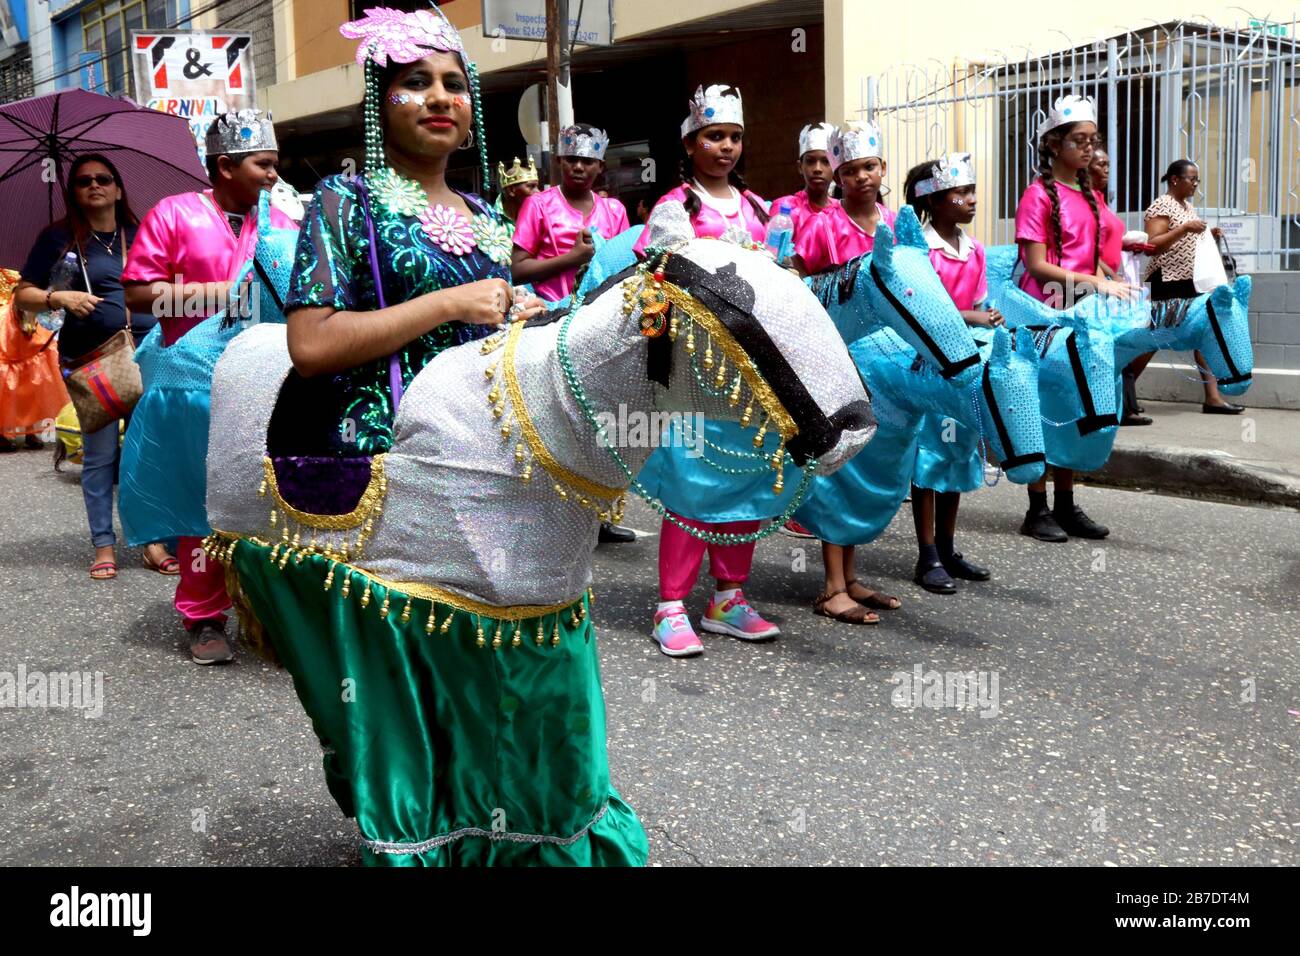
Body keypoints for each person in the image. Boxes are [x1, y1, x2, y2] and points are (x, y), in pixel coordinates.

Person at [224, 6, 646, 865]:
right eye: (415, 82)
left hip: (488, 458)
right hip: (388, 461)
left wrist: (530, 318)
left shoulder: (491, 218)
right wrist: (449, 305)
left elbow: (489, 347)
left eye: (455, 82)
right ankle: (431, 831)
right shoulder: (347, 201)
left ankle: (527, 824)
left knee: (516, 652)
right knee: (419, 676)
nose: (440, 97)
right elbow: (310, 344)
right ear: (383, 102)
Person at [119, 111, 293, 660]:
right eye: (264, 164)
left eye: (274, 164)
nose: (273, 175)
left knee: (271, 498)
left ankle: (273, 611)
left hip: (268, 375)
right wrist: (219, 294)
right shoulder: (175, 214)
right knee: (204, 502)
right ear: (225, 166)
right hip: (194, 381)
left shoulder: (282, 220)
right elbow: (138, 296)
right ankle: (204, 616)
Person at [631, 83, 789, 658]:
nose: (726, 147)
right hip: (696, 364)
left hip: (754, 368)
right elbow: (661, 280)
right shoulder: (675, 207)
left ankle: (728, 596)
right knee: (693, 479)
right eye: (714, 136)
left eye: (735, 137)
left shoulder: (760, 209)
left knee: (744, 475)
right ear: (691, 144)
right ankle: (670, 603)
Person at [13, 154, 173, 580]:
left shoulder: (141, 235)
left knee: (148, 452)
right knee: (101, 455)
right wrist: (58, 298)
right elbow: (23, 294)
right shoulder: (60, 240)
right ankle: (104, 544)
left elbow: (168, 285)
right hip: (93, 361)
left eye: (104, 179)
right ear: (74, 192)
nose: (94, 186)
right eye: (84, 181)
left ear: (119, 189)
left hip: (149, 353)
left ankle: (152, 540)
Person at [1014, 94, 1135, 543]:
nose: (1087, 149)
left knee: (1076, 403)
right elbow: (1036, 266)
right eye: (1078, 141)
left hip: (1081, 315)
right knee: (1042, 406)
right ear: (1053, 145)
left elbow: (1097, 258)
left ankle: (1065, 503)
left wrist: (1112, 282)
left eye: (1092, 141)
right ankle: (1037, 507)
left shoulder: (1091, 197)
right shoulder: (1037, 195)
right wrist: (1096, 283)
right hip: (1041, 313)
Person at [904, 153, 1001, 593]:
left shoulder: (975, 249)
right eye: (959, 193)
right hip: (928, 365)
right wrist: (970, 317)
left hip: (964, 366)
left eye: (971, 191)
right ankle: (926, 554)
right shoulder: (920, 250)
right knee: (928, 456)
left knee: (957, 451)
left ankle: (947, 546)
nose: (970, 200)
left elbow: (979, 304)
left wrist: (985, 318)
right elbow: (918, 309)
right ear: (934, 201)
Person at [1143, 159, 1242, 415]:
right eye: (1192, 179)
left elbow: (1187, 242)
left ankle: (1213, 398)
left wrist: (1209, 235)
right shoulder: (1161, 205)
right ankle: (1124, 389)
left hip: (1189, 282)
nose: (1196, 184)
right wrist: (1186, 228)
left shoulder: (1187, 207)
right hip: (1165, 282)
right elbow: (1152, 246)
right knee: (1152, 338)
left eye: (1197, 179)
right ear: (1175, 180)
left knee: (1203, 333)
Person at [511, 123, 629, 303]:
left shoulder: (615, 211)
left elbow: (627, 267)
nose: (579, 167)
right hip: (552, 317)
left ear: (600, 166)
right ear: (559, 160)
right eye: (571, 159)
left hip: (604, 313)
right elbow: (517, 271)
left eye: (588, 161)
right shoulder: (538, 205)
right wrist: (572, 258)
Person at [791, 122, 895, 277]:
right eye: (850, 171)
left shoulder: (894, 221)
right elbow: (798, 273)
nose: (861, 177)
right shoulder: (821, 225)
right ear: (838, 179)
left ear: (883, 167)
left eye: (869, 167)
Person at [0, 267, 64, 453]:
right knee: (7, 380)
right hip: (10, 336)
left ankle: (30, 430)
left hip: (34, 329)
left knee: (35, 380)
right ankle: (3, 432)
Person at [769, 122, 839, 238]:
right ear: (800, 167)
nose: (817, 169)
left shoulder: (841, 211)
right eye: (810, 161)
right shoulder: (785, 208)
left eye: (826, 162)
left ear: (835, 167)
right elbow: (773, 252)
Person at [493, 155, 539, 230]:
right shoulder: (490, 219)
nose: (538, 192)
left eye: (537, 186)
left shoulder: (539, 215)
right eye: (531, 186)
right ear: (511, 190)